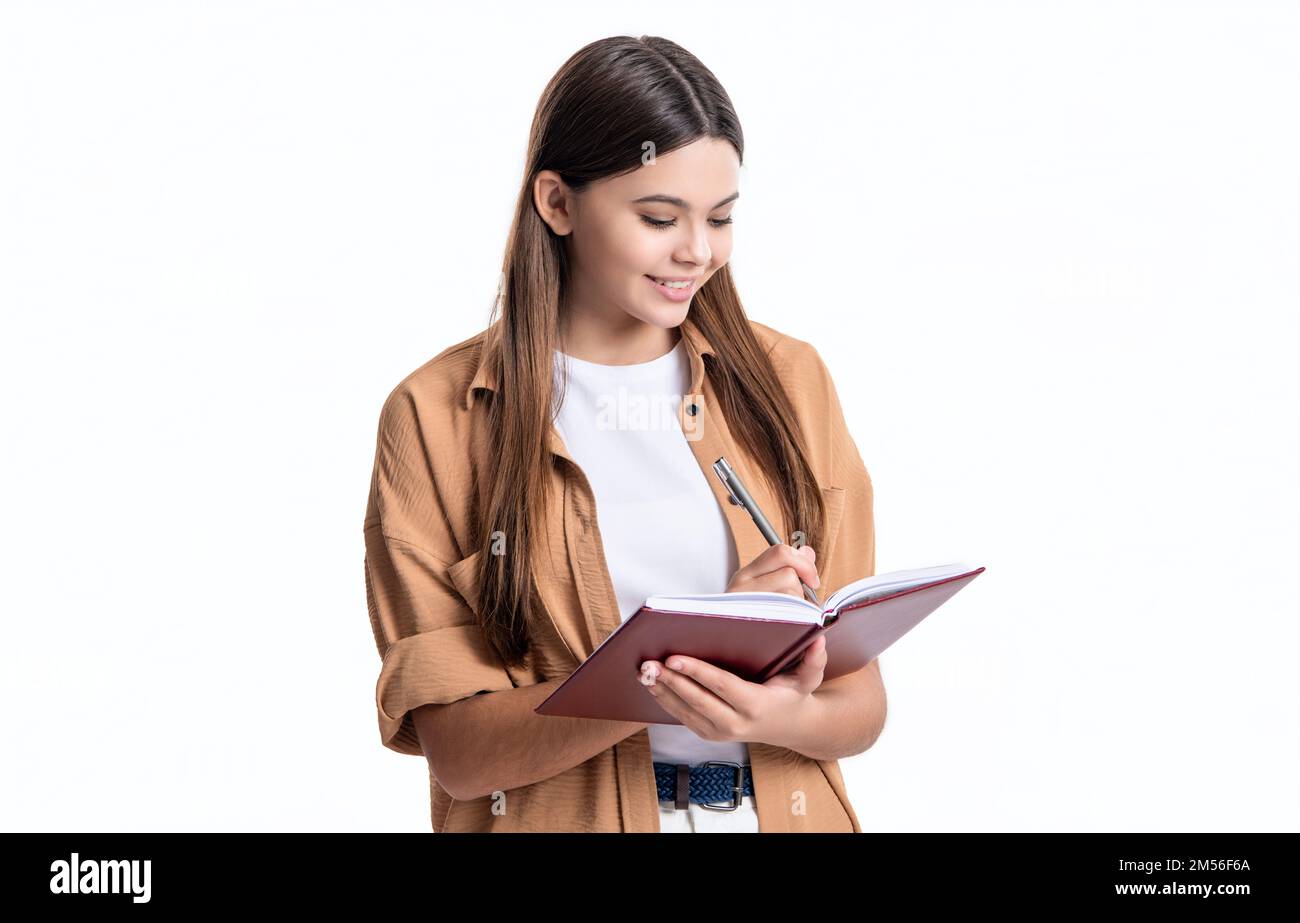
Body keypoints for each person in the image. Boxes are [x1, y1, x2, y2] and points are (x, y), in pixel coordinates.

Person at [362, 34, 886, 833]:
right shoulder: (435, 418)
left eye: (720, 217)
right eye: (658, 217)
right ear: (557, 202)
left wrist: (764, 708)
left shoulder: (790, 380)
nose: (698, 251)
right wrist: (699, 646)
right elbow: (463, 753)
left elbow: (861, 703)